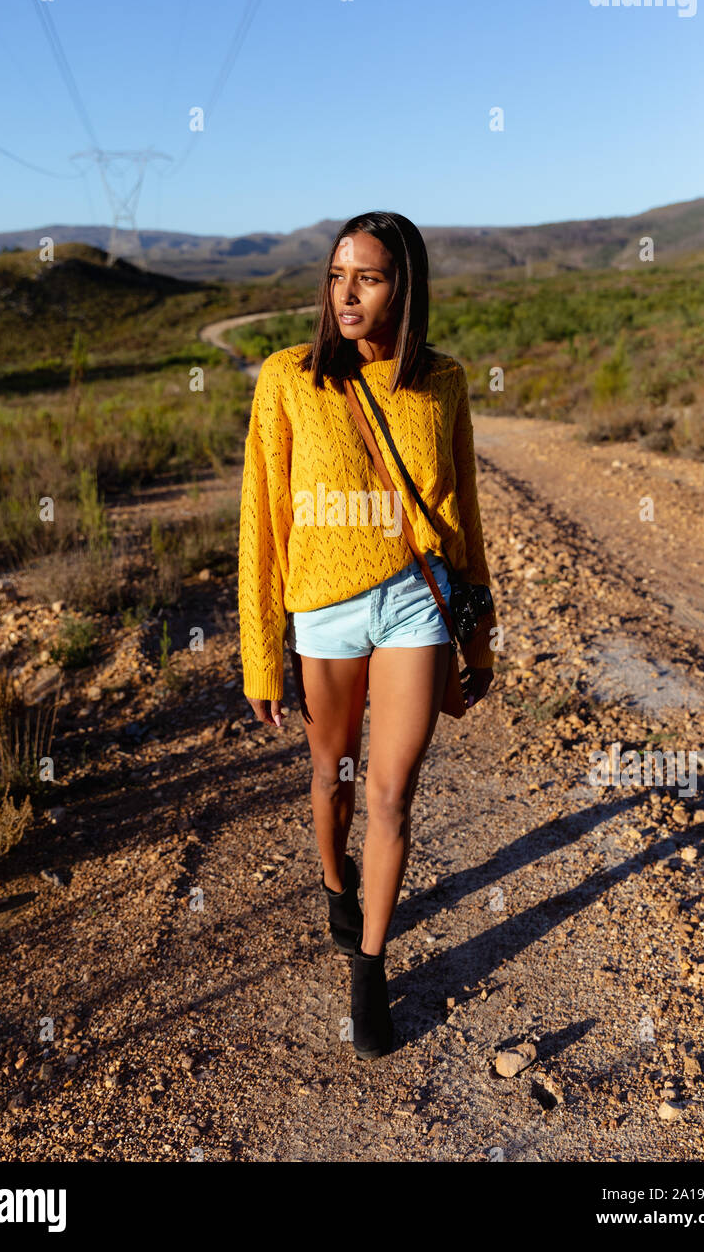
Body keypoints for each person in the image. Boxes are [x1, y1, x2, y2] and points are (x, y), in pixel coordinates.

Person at [238, 210, 494, 1059]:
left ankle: (370, 967)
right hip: (325, 610)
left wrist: (479, 634)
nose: (348, 294)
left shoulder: (441, 380)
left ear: (404, 287)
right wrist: (259, 652)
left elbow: (461, 514)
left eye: (370, 278)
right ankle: (335, 882)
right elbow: (262, 521)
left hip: (414, 607)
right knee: (331, 772)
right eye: (338, 276)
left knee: (392, 794)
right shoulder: (287, 378)